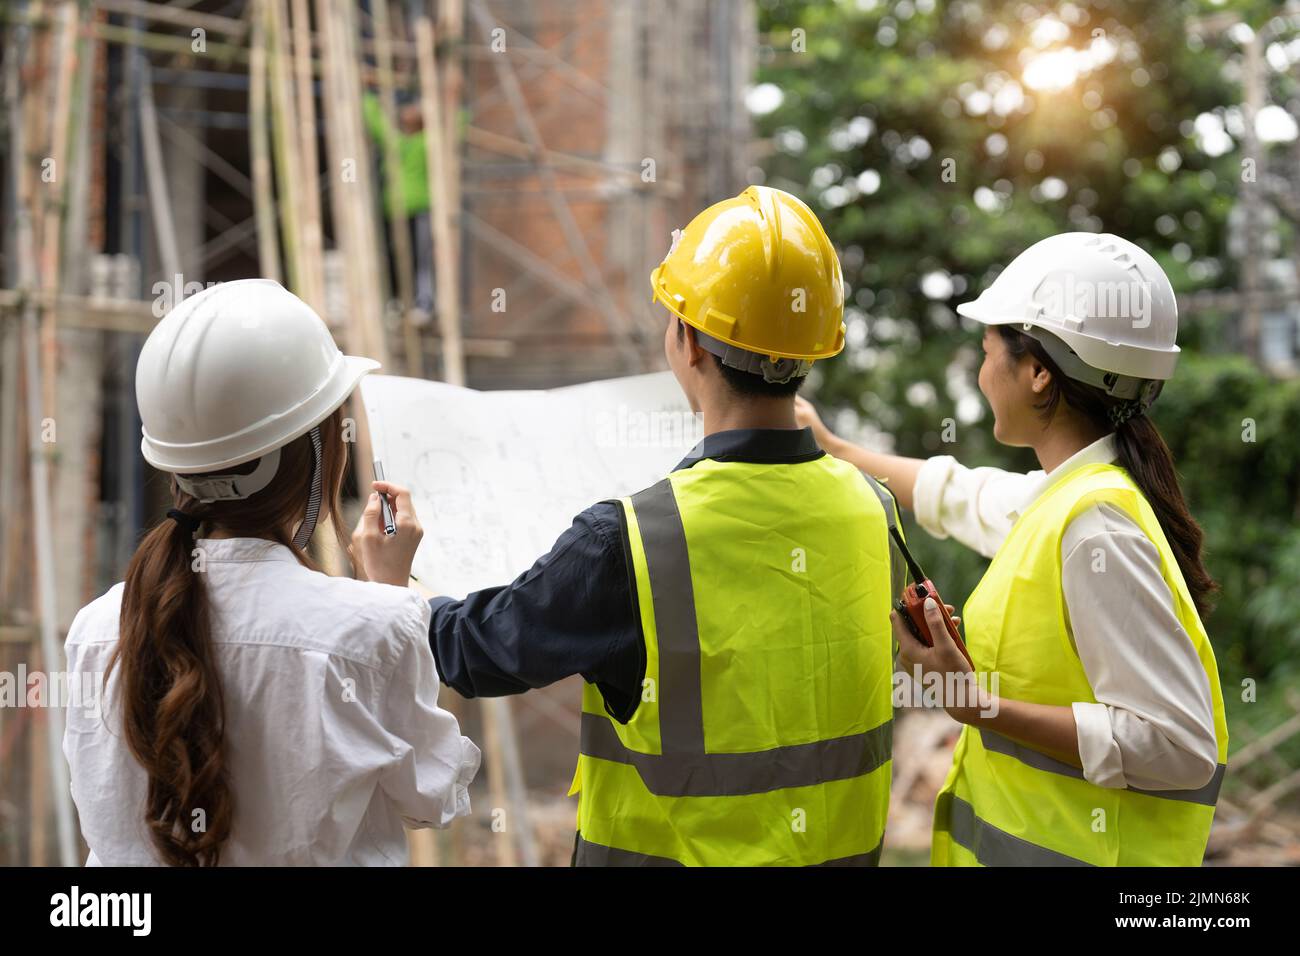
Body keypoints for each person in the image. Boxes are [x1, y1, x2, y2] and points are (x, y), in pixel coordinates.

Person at [353, 186, 900, 866]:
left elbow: (474, 652)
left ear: (690, 342)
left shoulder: (632, 539)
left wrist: (392, 590)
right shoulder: (873, 508)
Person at [798, 232, 1228, 866]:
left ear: (1036, 372)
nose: (979, 372)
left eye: (986, 350)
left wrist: (979, 706)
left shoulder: (1096, 527)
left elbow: (1177, 745)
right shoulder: (1072, 497)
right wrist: (835, 449)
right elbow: (962, 495)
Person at [63, 279, 479, 866]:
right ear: (316, 448)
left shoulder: (98, 627)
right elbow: (431, 798)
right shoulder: (370, 628)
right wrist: (387, 597)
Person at [363, 91, 435, 321]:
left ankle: (422, 304)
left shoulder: (427, 142)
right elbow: (375, 120)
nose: (408, 113)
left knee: (420, 258)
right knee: (396, 257)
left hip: (417, 208)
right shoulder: (397, 142)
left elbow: (457, 120)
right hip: (394, 209)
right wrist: (367, 93)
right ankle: (398, 301)